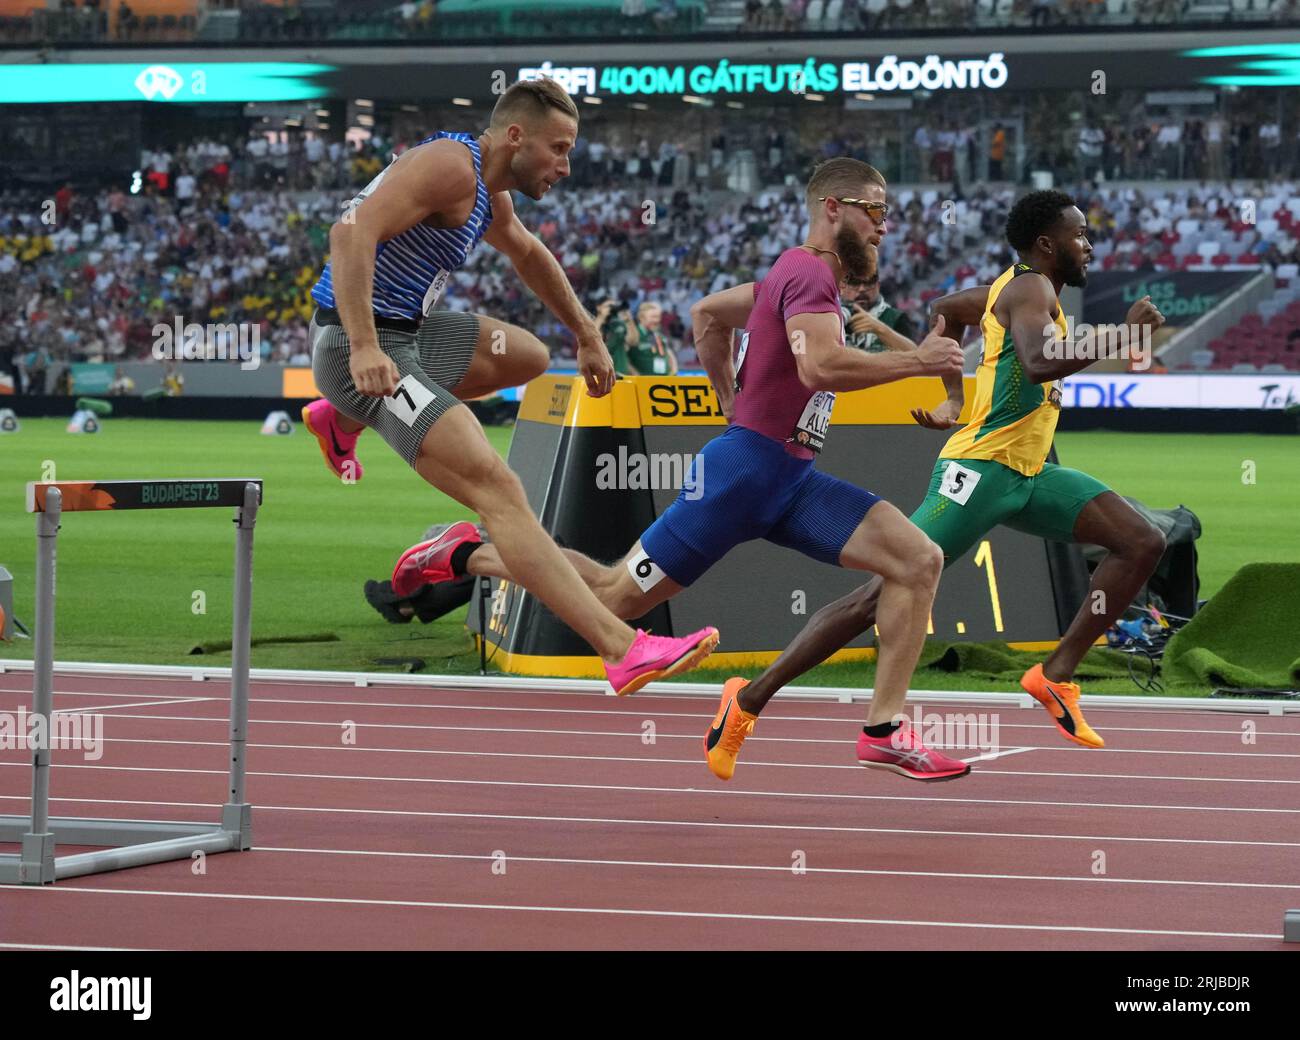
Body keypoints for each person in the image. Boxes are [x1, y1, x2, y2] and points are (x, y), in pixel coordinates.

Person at [401, 158, 970, 782]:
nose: (885, 225)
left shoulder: (797, 277)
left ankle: (883, 731)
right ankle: (467, 554)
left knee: (918, 560)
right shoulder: (806, 271)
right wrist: (917, 362)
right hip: (738, 477)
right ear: (833, 208)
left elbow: (705, 315)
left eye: (888, 213)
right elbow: (821, 369)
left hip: (791, 480)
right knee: (616, 598)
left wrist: (729, 396)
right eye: (875, 209)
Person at [716, 190, 1168, 769]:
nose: (1090, 245)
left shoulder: (1027, 291)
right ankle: (747, 700)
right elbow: (1037, 364)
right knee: (876, 598)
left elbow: (948, 307)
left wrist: (954, 394)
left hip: (1028, 473)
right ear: (1047, 244)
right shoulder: (1028, 286)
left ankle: (1055, 675)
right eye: (1080, 235)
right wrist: (1122, 335)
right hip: (978, 473)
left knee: (1142, 540)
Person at [302, 77, 720, 696]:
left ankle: (343, 418)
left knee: (524, 354)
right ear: (516, 136)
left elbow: (527, 254)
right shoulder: (451, 168)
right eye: (560, 148)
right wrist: (364, 347)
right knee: (499, 490)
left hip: (409, 335)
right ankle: (621, 648)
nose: (565, 167)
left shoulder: (487, 191)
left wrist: (587, 334)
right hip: (358, 343)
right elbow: (348, 234)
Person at [842, 260, 918, 354]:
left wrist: (880, 329)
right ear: (842, 288)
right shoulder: (831, 318)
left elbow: (915, 356)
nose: (862, 289)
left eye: (868, 282)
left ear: (878, 286)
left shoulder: (895, 318)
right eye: (854, 283)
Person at [628, 301, 677, 375]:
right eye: (653, 317)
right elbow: (625, 359)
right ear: (641, 317)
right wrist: (636, 376)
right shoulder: (633, 334)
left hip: (664, 381)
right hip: (644, 383)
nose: (657, 320)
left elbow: (669, 354)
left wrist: (673, 372)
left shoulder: (659, 335)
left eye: (658, 317)